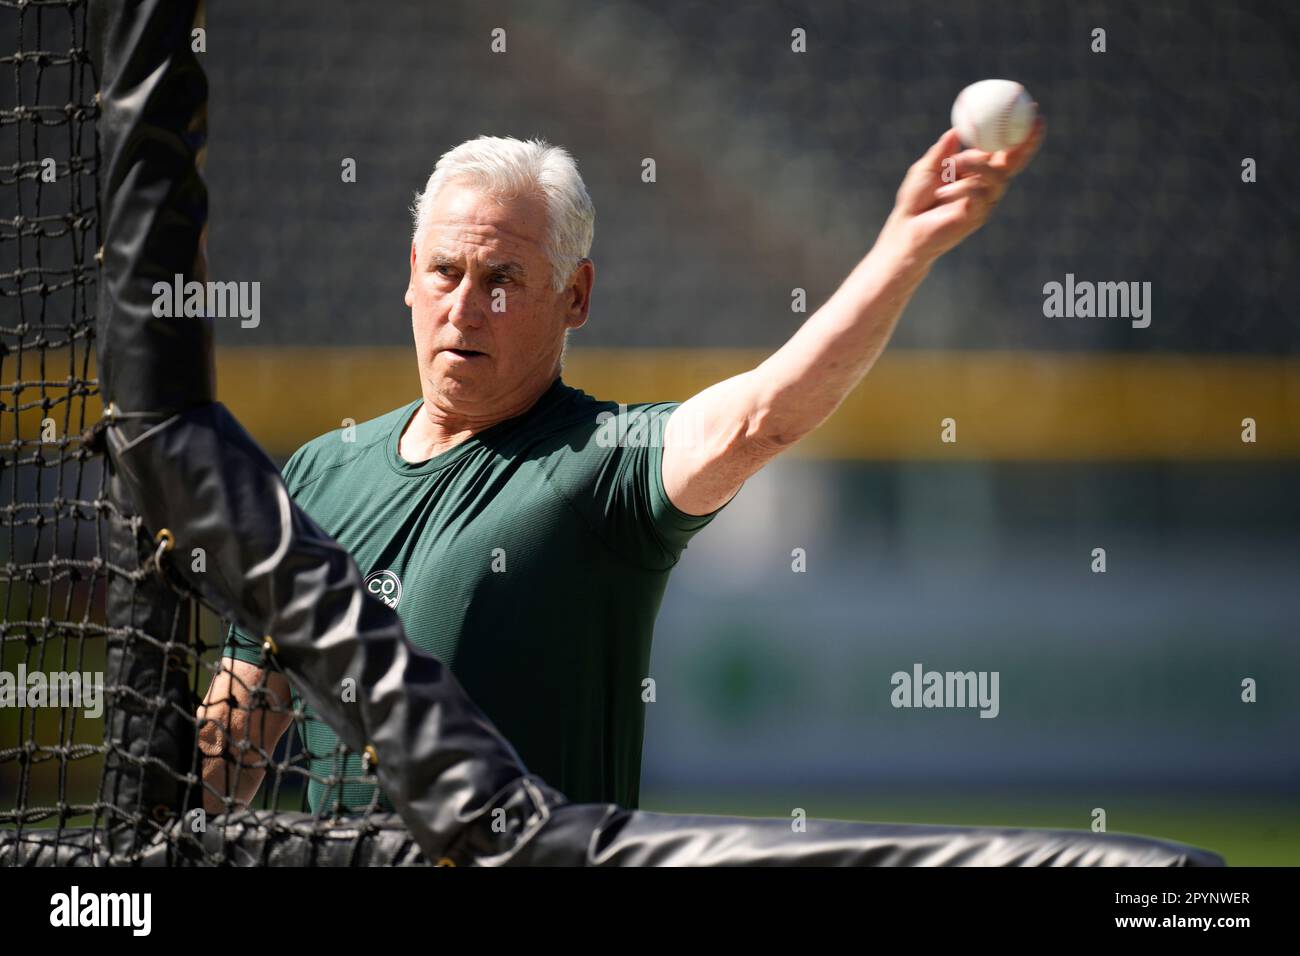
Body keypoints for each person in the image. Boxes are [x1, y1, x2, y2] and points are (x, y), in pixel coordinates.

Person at [197, 123, 1043, 816]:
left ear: (577, 297)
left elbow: (758, 419)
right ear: (410, 280)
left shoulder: (602, 464)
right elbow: (237, 733)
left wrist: (904, 248)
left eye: (503, 280)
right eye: (445, 272)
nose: (463, 306)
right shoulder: (317, 473)